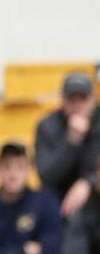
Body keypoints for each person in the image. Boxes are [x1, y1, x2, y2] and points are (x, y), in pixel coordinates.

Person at [35, 71, 100, 218]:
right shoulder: (47, 126)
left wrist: (88, 182)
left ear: (93, 100)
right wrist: (71, 142)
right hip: (58, 201)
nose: (77, 105)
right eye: (71, 98)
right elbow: (47, 176)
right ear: (62, 100)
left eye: (82, 98)